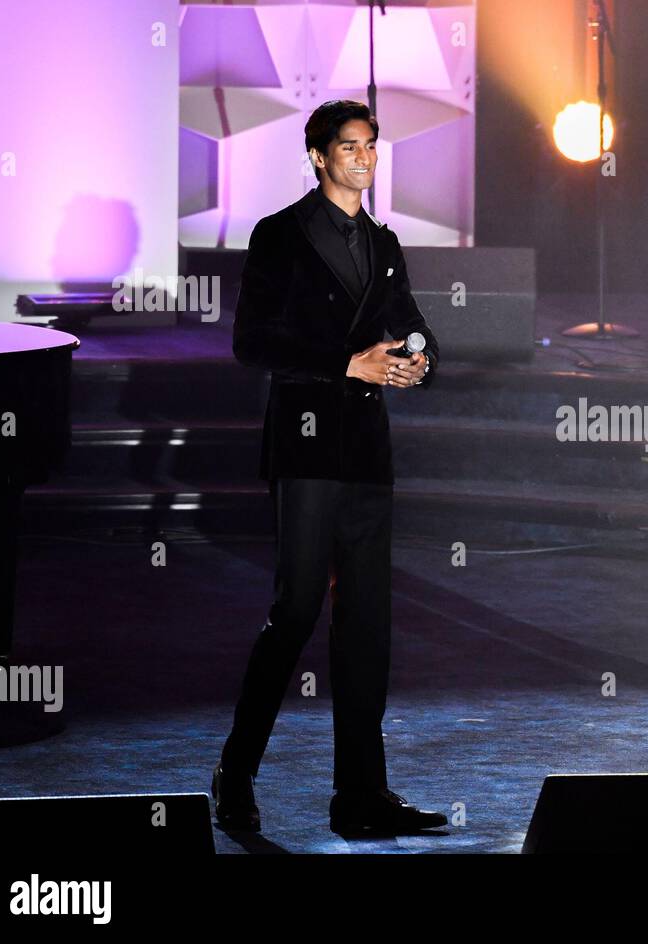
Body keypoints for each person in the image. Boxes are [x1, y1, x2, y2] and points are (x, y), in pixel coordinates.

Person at [212, 99, 446, 837]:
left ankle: (360, 797)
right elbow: (253, 342)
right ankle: (235, 773)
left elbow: (411, 322)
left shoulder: (383, 243)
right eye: (350, 147)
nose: (364, 158)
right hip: (308, 448)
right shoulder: (279, 236)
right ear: (318, 156)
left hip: (366, 454)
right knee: (297, 611)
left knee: (367, 626)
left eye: (371, 146)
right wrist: (346, 363)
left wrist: (418, 360)